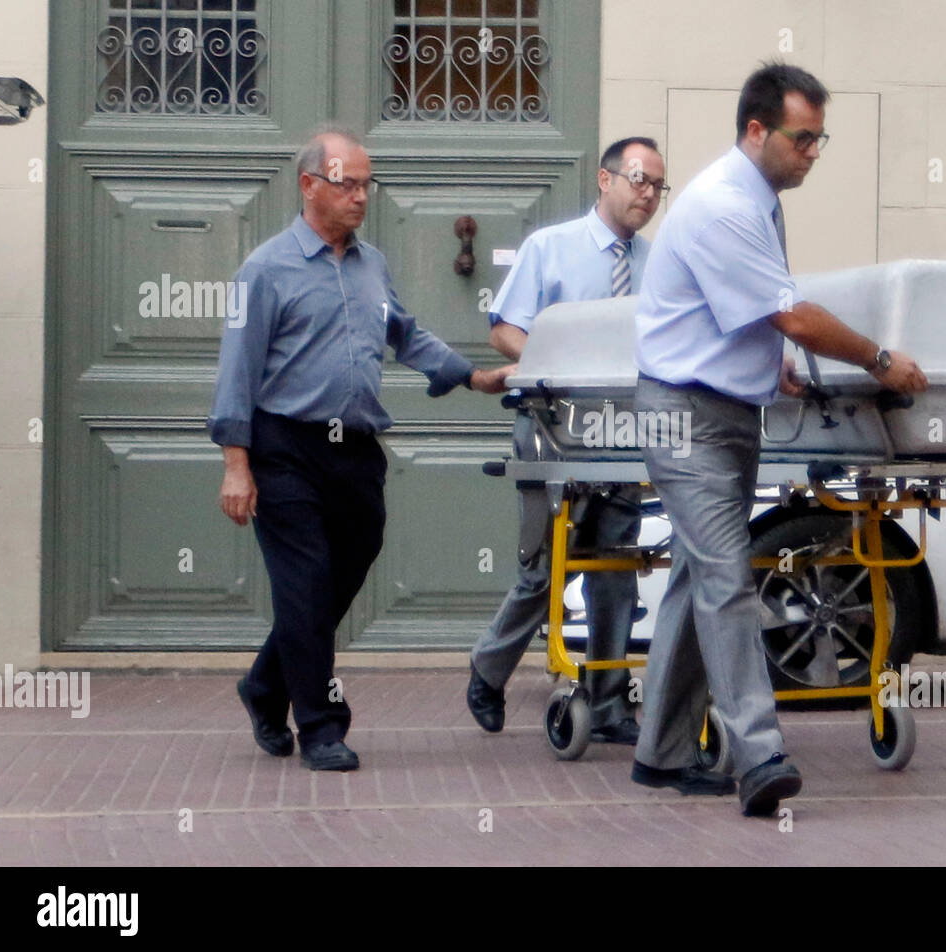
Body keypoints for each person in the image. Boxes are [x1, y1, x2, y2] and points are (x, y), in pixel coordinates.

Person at [630, 64, 929, 815]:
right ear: (757, 130)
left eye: (820, 139)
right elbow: (792, 311)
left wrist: (776, 368)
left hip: (723, 412)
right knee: (728, 578)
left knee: (699, 581)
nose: (813, 152)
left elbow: (750, 314)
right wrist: (879, 361)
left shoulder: (756, 200)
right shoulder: (727, 205)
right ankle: (760, 754)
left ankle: (660, 754)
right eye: (803, 137)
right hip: (685, 415)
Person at [209, 128, 514, 772]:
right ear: (309, 185)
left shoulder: (371, 263)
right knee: (306, 580)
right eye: (347, 183)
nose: (360, 197)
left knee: (334, 577)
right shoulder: (266, 269)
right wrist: (236, 463)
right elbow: (237, 369)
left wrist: (472, 375)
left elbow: (405, 334)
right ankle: (320, 725)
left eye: (366, 184)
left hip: (355, 454)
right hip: (284, 448)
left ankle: (264, 685)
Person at [466, 137, 667, 745]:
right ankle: (488, 669)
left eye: (659, 185)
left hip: (624, 433)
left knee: (616, 566)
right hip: (554, 428)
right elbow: (504, 330)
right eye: (638, 178)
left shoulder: (658, 264)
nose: (648, 193)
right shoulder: (548, 249)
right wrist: (566, 365)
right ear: (605, 180)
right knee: (546, 562)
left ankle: (607, 703)